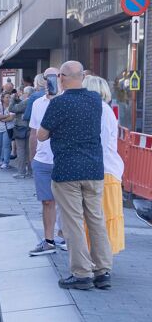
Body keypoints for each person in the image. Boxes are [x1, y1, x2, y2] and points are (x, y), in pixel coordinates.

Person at [35, 62, 112, 290]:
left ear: (62, 78)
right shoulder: (95, 100)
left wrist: (51, 106)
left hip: (67, 171)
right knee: (96, 219)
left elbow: (41, 136)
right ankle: (103, 270)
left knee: (73, 223)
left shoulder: (58, 103)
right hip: (94, 170)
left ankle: (81, 273)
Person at [83, 75, 124, 256]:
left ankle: (100, 259)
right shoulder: (103, 110)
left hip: (103, 171)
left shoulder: (101, 111)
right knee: (99, 217)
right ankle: (99, 258)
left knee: (100, 218)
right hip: (105, 170)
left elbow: (100, 143)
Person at [28, 67, 64, 256]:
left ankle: (64, 236)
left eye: (55, 76)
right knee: (47, 202)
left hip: (64, 160)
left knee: (67, 202)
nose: (50, 80)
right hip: (42, 161)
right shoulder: (37, 103)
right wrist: (32, 158)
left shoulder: (67, 101)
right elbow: (34, 132)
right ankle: (49, 240)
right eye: (47, 77)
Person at [12, 86, 34, 179]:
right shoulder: (34, 100)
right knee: (29, 151)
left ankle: (21, 172)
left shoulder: (26, 101)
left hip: (21, 128)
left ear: (26, 93)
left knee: (20, 150)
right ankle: (30, 171)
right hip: (30, 128)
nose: (21, 94)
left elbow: (12, 109)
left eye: (22, 93)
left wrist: (13, 99)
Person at [0, 91, 15, 169]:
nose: (8, 99)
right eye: (7, 97)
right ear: (2, 98)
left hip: (8, 128)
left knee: (6, 146)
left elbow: (11, 118)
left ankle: (5, 162)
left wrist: (2, 118)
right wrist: (6, 116)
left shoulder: (12, 106)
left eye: (9, 97)